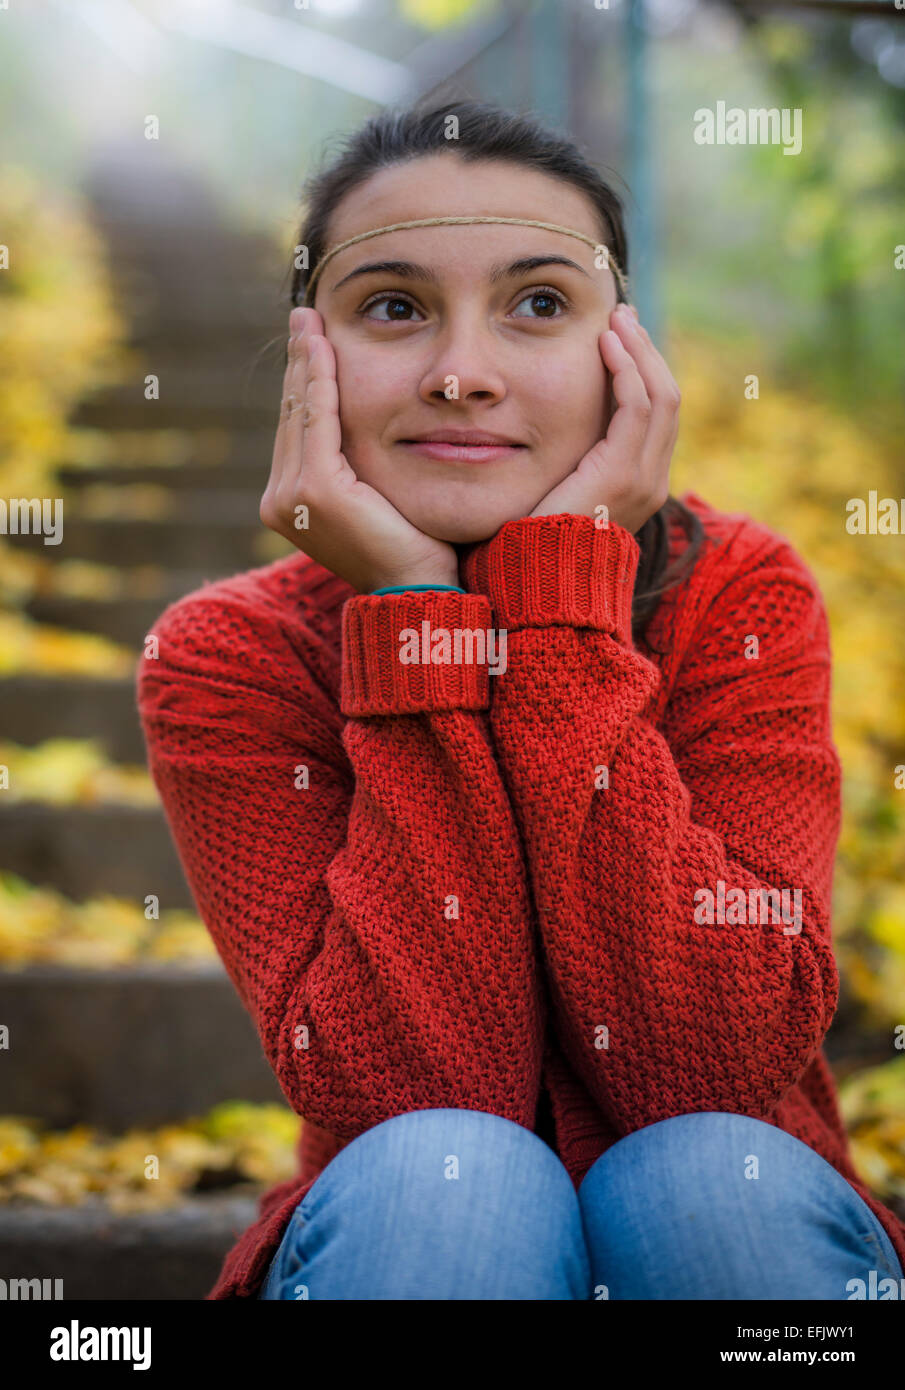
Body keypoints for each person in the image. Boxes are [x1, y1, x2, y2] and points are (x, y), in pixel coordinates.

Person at [136, 99, 905, 1300]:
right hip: (412, 1236)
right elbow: (408, 1092)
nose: (459, 374)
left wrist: (554, 610)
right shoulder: (230, 655)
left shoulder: (736, 594)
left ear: (625, 355)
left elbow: (717, 1064)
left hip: (735, 1237)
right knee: (451, 1174)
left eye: (538, 303)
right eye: (392, 307)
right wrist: (409, 610)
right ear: (308, 354)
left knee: (701, 1174)